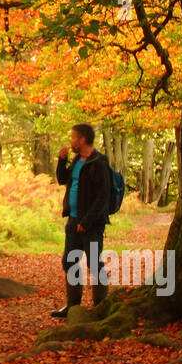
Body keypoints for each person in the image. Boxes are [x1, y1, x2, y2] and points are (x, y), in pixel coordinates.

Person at [50, 123, 114, 319]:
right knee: (69, 261)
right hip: (73, 220)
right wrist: (62, 161)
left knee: (94, 264)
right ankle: (73, 306)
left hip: (92, 224)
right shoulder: (77, 160)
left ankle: (101, 307)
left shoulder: (99, 163)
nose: (71, 141)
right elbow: (63, 180)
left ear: (82, 140)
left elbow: (103, 198)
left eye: (73, 138)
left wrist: (86, 222)